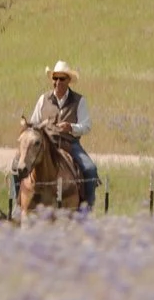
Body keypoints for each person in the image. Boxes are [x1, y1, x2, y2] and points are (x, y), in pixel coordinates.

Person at [21, 59, 99, 208]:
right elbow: (33, 123)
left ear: (68, 80)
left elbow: (86, 126)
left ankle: (87, 208)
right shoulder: (43, 99)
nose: (57, 82)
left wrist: (71, 127)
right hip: (45, 144)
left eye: (61, 78)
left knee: (90, 169)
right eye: (55, 78)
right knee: (17, 165)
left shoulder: (79, 100)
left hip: (70, 144)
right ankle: (18, 205)